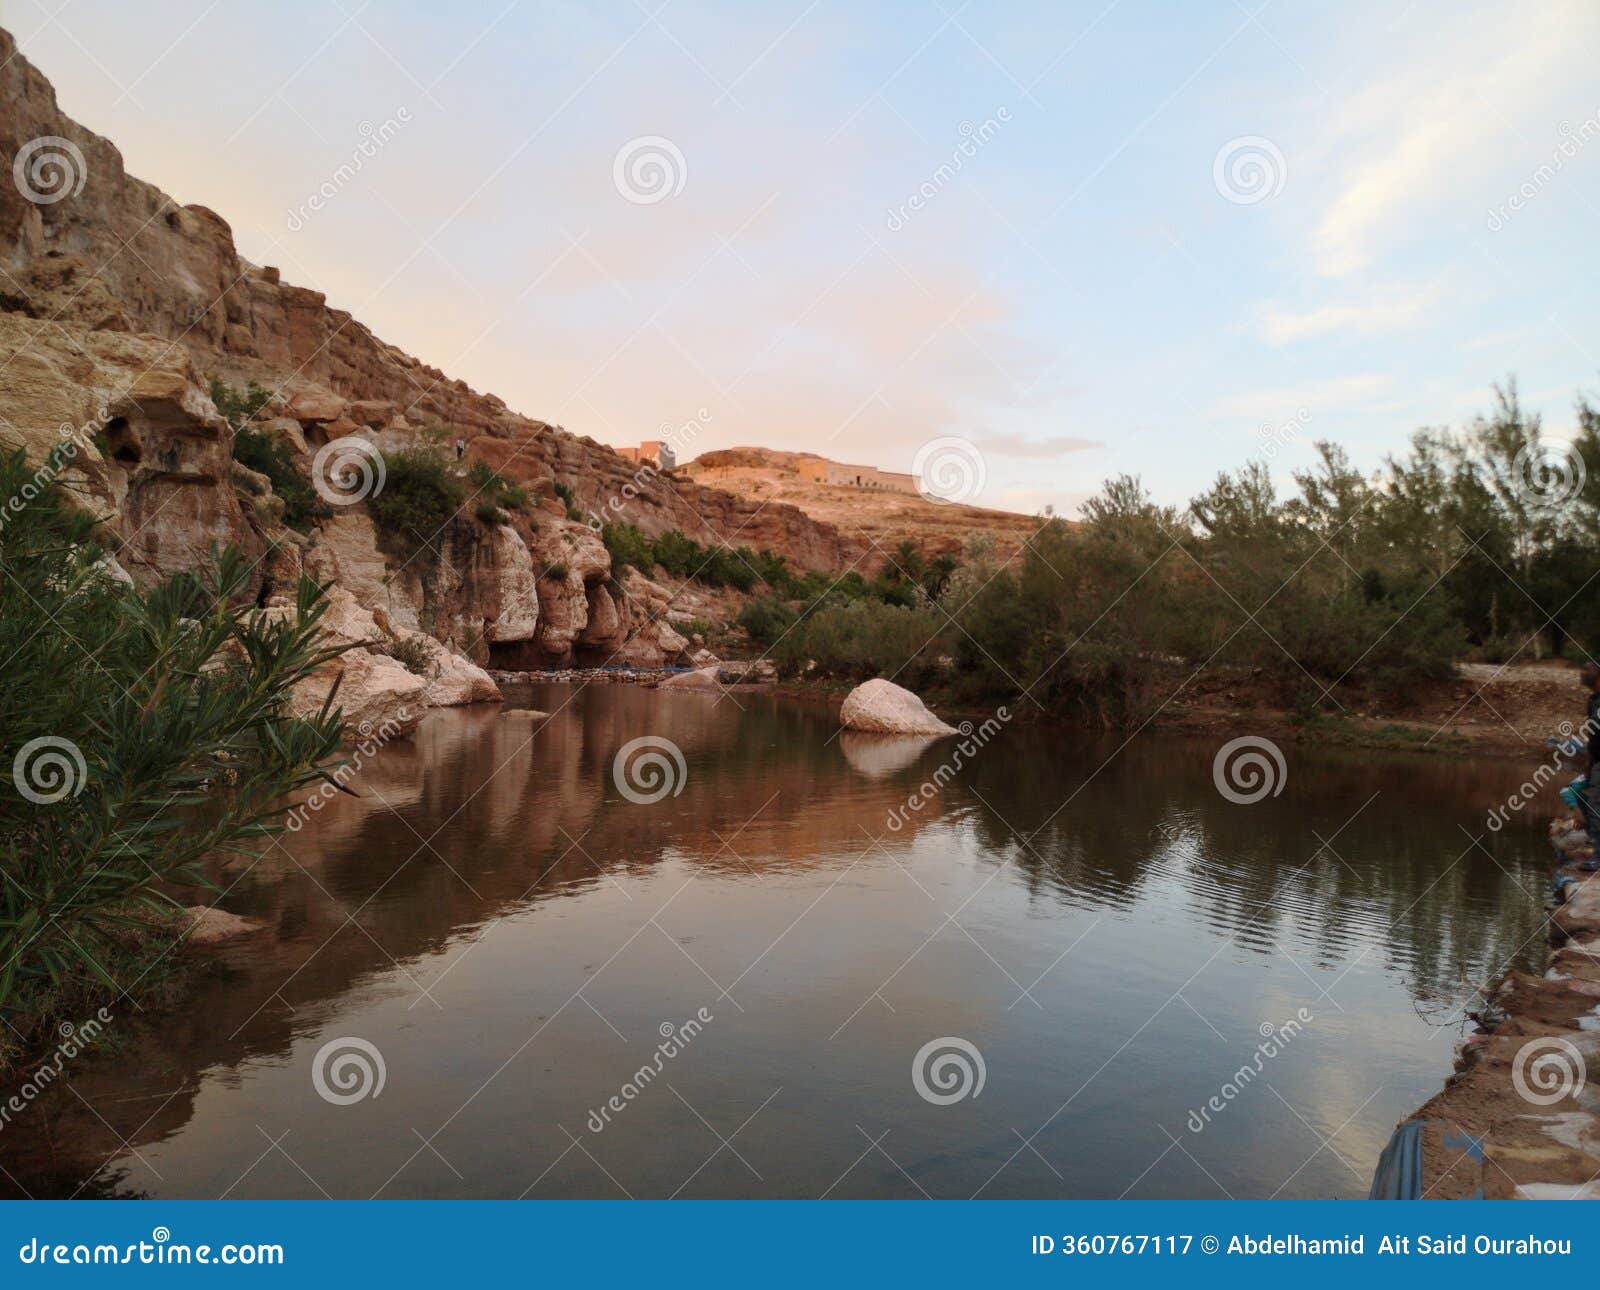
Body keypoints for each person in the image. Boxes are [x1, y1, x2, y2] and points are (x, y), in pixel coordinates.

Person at [1582, 663, 1600, 849]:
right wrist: (1589, 763)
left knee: (1595, 805)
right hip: (1596, 761)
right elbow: (1592, 735)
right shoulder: (1592, 700)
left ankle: (1597, 856)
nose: (1583, 673)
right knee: (1582, 795)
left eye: (1588, 670)